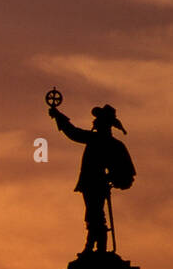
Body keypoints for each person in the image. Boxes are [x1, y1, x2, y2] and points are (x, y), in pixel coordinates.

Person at [48, 102, 135, 253]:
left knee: (95, 215)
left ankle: (95, 247)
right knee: (93, 215)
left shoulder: (106, 143)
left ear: (103, 123)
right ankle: (95, 246)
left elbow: (74, 133)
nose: (94, 122)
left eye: (97, 119)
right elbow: (74, 133)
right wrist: (58, 116)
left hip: (96, 183)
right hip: (92, 182)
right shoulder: (107, 142)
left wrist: (109, 178)